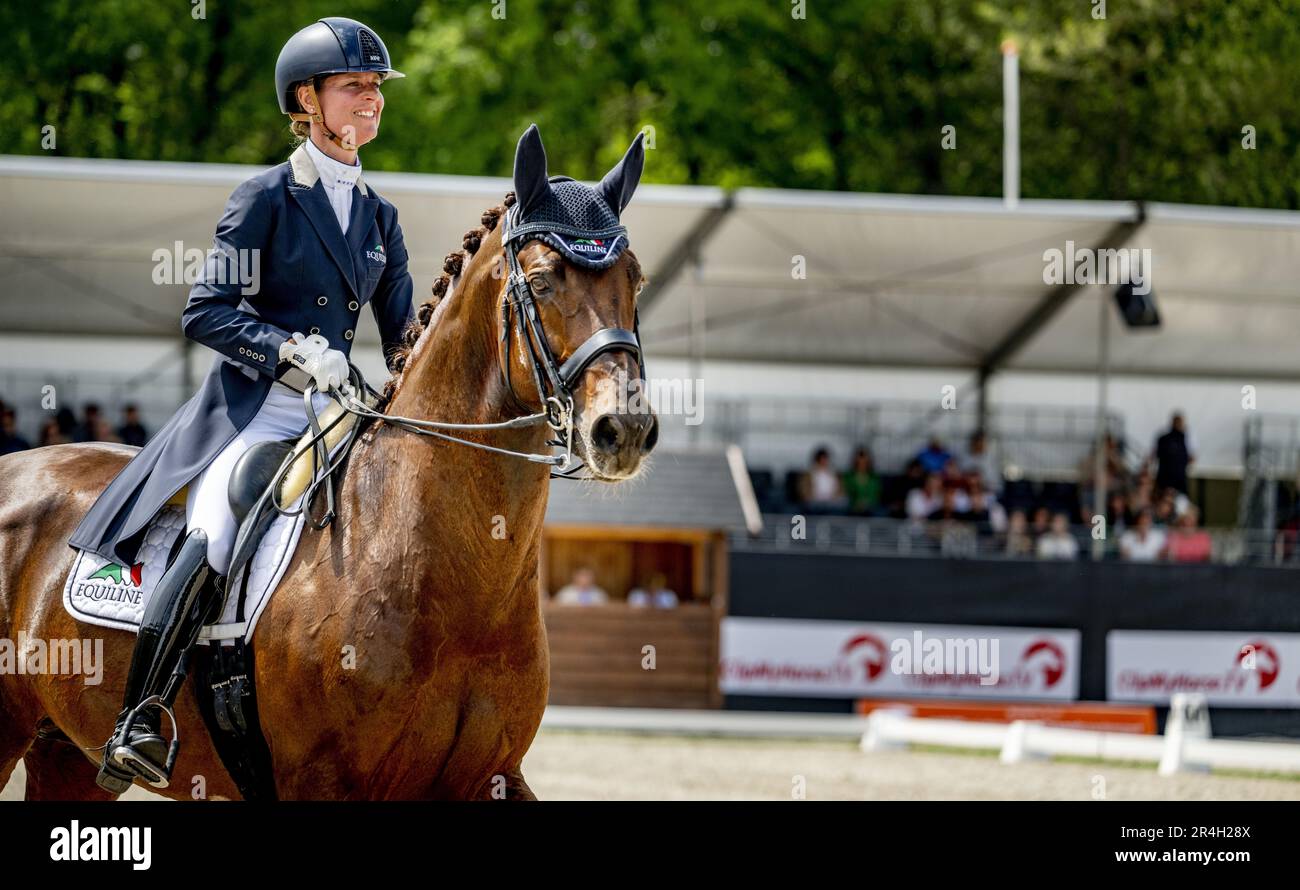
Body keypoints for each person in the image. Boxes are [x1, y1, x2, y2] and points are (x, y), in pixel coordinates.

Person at [68, 16, 412, 794]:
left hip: (337, 414)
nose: (372, 100)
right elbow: (207, 310)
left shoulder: (381, 220)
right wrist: (292, 351)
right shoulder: (265, 196)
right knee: (217, 526)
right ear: (308, 98)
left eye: (376, 89)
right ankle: (143, 716)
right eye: (355, 86)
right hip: (258, 409)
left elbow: (405, 344)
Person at [1151, 412, 1195, 496]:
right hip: (1167, 480)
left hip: (1177, 480)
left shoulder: (1186, 438)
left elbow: (1192, 458)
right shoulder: (1164, 439)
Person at [799, 446, 847, 512]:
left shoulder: (833, 474)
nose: (823, 462)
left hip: (832, 502)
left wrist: (835, 496)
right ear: (817, 460)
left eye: (825, 459)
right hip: (815, 502)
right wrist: (810, 497)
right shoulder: (809, 474)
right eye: (821, 460)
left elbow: (841, 490)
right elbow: (804, 490)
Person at [842, 447, 882, 515]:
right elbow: (845, 494)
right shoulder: (848, 477)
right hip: (851, 508)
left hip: (870, 509)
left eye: (864, 457)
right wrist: (856, 504)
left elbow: (875, 496)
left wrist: (865, 503)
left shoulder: (874, 478)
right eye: (860, 456)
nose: (862, 461)